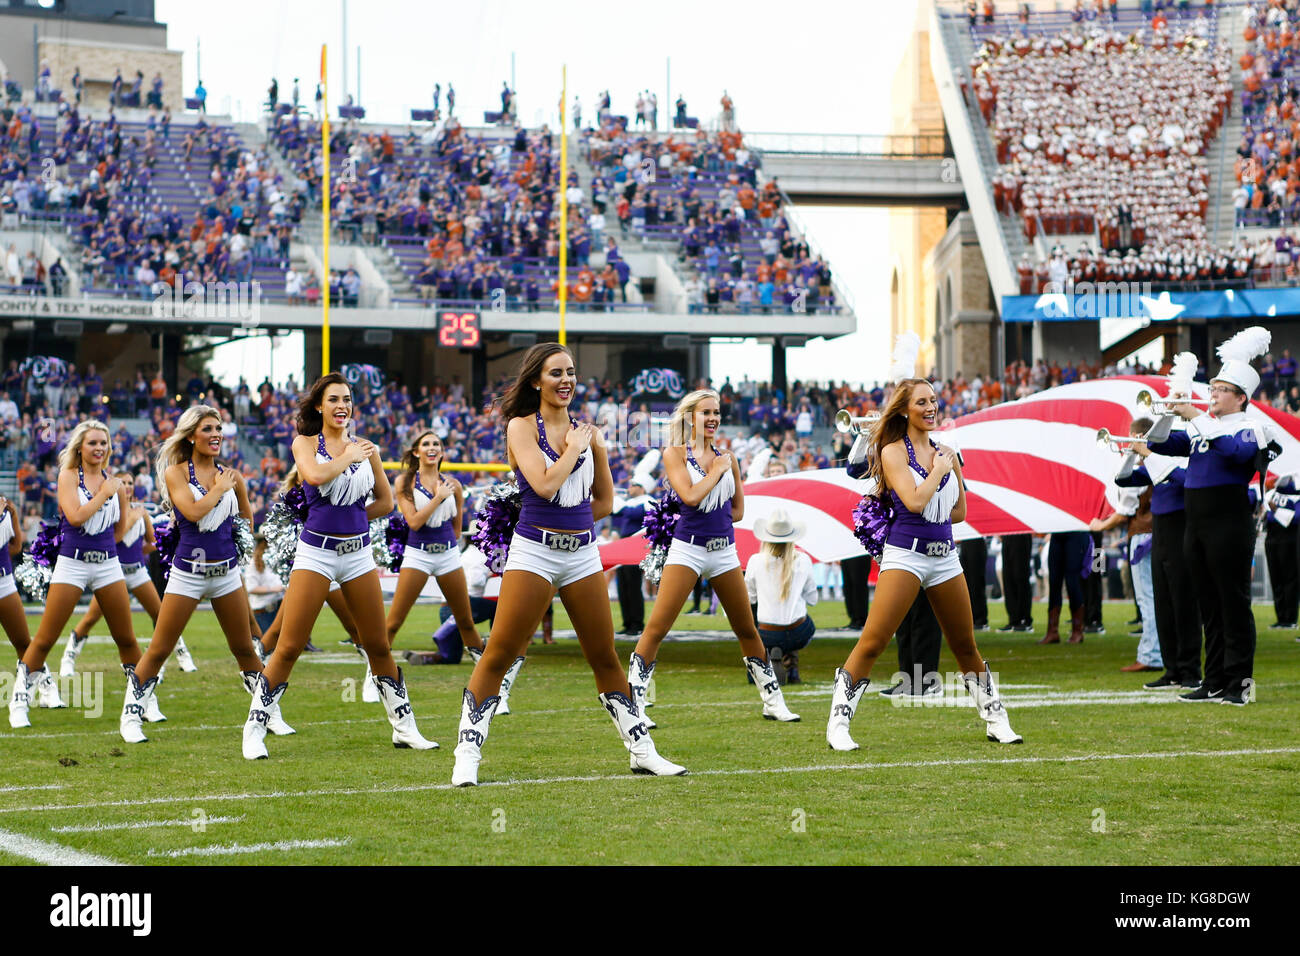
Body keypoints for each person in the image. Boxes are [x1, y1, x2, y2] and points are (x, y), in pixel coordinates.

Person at [450, 343, 684, 786]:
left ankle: (641, 750)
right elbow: (541, 485)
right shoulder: (521, 427)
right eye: (556, 373)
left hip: (580, 553)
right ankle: (467, 751)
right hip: (533, 551)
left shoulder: (588, 433)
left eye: (571, 372)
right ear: (537, 380)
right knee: (500, 652)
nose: (566, 381)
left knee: (604, 656)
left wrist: (572, 520)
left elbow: (606, 501)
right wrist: (575, 449)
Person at [826, 367, 1021, 750]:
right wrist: (938, 472)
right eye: (922, 402)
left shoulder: (947, 453)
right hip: (905, 555)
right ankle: (838, 724)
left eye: (933, 401)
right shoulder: (892, 451)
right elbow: (914, 502)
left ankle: (996, 718)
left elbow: (960, 512)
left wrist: (946, 470)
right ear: (904, 411)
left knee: (965, 644)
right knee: (874, 640)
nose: (931, 407)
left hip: (944, 555)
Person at [241, 373, 434, 758]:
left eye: (347, 399)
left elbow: (385, 502)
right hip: (316, 553)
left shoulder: (368, 449)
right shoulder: (305, 443)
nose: (342, 405)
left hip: (357, 554)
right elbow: (313, 475)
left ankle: (404, 727)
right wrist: (347, 457)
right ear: (319, 406)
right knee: (291, 645)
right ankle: (255, 728)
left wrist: (351, 514)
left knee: (377, 644)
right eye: (334, 399)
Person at [626, 388, 799, 727]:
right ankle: (635, 704)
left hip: (724, 550)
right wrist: (716, 472)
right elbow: (689, 497)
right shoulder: (675, 454)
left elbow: (737, 510)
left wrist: (722, 470)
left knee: (746, 628)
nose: (713, 418)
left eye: (716, 412)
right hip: (687, 549)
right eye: (706, 412)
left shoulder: (727, 457)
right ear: (690, 417)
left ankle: (772, 700)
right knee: (658, 628)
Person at [120, 406, 292, 745]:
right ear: (191, 436)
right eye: (208, 429)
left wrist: (235, 537)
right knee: (160, 648)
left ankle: (268, 713)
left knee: (244, 648)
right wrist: (218, 489)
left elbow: (246, 521)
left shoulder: (233, 476)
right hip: (189, 573)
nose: (216, 434)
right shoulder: (176, 473)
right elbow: (194, 511)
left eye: (219, 428)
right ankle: (131, 715)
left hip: (226, 572)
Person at [1149, 328, 1273, 705]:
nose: (1212, 394)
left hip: (1228, 522)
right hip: (1197, 524)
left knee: (1233, 603)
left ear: (1240, 397)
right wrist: (1170, 410)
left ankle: (1241, 684)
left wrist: (1196, 417)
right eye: (1212, 388)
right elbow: (1159, 442)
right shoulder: (1205, 428)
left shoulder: (1252, 427)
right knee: (1209, 605)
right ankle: (1215, 679)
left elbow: (1237, 455)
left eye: (1220, 390)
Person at [11, 422, 141, 730]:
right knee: (45, 638)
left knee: (125, 637)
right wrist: (104, 493)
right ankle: (19, 700)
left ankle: (141, 701)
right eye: (93, 442)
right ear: (80, 447)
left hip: (108, 563)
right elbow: (76, 516)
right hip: (73, 562)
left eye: (104, 443)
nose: (99, 448)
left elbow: (120, 529)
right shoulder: (68, 476)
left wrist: (111, 492)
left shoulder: (116, 483)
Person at [60, 472, 196, 683]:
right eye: (123, 482)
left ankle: (181, 657)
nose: (127, 486)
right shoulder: (109, 509)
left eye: (130, 483)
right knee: (90, 619)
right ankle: (68, 658)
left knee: (161, 615)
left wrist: (167, 539)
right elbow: (111, 539)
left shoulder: (141, 512)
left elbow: (152, 544)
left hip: (138, 571)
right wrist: (132, 519)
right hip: (113, 573)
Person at [383, 430, 488, 693]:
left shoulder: (454, 484)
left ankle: (488, 680)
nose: (432, 448)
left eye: (436, 444)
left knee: (465, 621)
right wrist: (438, 497)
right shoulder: (404, 482)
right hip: (418, 554)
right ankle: (374, 678)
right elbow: (415, 522)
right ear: (417, 452)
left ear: (441, 452)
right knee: (395, 621)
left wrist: (447, 547)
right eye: (426, 444)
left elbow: (456, 527)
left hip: (448, 555)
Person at [1115, 418, 1199, 689]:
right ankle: (1171, 668)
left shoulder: (1184, 462)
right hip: (1159, 533)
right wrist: (1131, 453)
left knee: (1183, 604)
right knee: (1162, 603)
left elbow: (1183, 480)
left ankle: (1189, 670)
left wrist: (1148, 453)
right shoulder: (1156, 465)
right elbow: (1124, 478)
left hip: (1180, 530)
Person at [1093, 422, 1160, 673]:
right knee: (1157, 597)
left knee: (1147, 598)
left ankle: (1151, 654)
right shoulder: (1160, 461)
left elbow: (1125, 510)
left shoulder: (1140, 466)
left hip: (1142, 534)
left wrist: (1100, 526)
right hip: (1158, 533)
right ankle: (1159, 652)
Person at [745, 508, 817, 684]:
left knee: (754, 623)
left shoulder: (755, 561)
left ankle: (765, 659)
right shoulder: (804, 560)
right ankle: (791, 665)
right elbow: (812, 599)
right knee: (802, 620)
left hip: (769, 632)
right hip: (799, 632)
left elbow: (750, 598)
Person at [611, 473, 654, 635]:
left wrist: (615, 498)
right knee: (622, 585)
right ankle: (627, 622)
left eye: (633, 485)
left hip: (636, 547)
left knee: (633, 586)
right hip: (624, 546)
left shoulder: (647, 501)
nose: (629, 488)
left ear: (642, 488)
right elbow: (615, 512)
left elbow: (631, 513)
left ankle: (637, 623)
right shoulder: (630, 501)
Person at [1039, 531, 1090, 644]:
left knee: (1073, 583)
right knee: (1054, 582)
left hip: (1075, 533)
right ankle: (1052, 632)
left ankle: (1078, 631)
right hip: (1057, 533)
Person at [1262, 475, 1299, 629]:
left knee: (1289, 579)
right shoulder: (1272, 492)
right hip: (1272, 537)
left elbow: (1295, 518)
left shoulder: (1296, 495)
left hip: (1289, 538)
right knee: (1276, 579)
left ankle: (1290, 619)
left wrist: (1275, 510)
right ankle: (1281, 617)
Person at [997, 533, 1035, 631]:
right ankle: (1013, 619)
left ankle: (1025, 619)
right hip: (1007, 534)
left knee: (1020, 577)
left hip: (1021, 533)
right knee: (1008, 578)